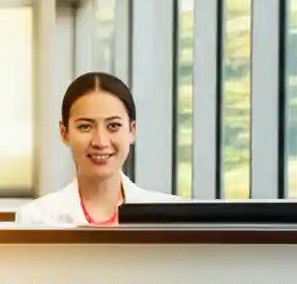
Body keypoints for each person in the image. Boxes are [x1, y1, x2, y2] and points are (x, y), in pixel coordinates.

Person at [16, 72, 180, 225]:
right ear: (64, 133)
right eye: (85, 127)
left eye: (113, 126)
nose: (100, 142)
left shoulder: (172, 215)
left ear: (132, 130)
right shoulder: (35, 218)